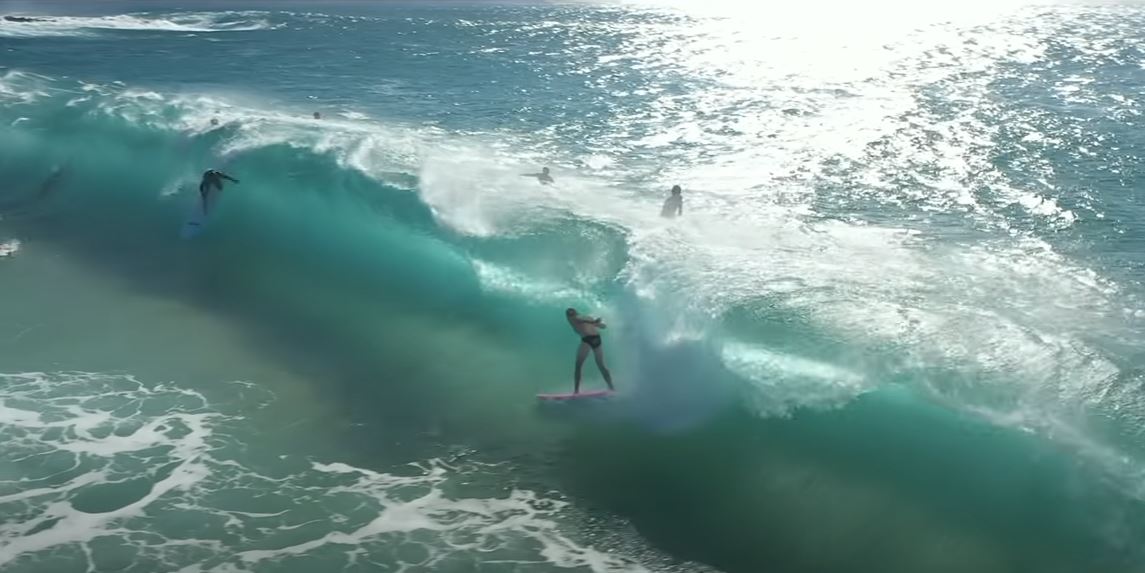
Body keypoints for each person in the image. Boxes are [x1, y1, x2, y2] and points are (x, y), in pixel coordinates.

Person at [565, 308, 615, 394]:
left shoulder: (575, 319)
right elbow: (601, 326)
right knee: (601, 365)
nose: (571, 316)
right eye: (570, 314)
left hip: (588, 340)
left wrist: (595, 323)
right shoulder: (585, 318)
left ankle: (576, 391)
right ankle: (612, 388)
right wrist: (597, 323)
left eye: (571, 314)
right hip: (596, 339)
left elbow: (580, 320)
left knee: (578, 365)